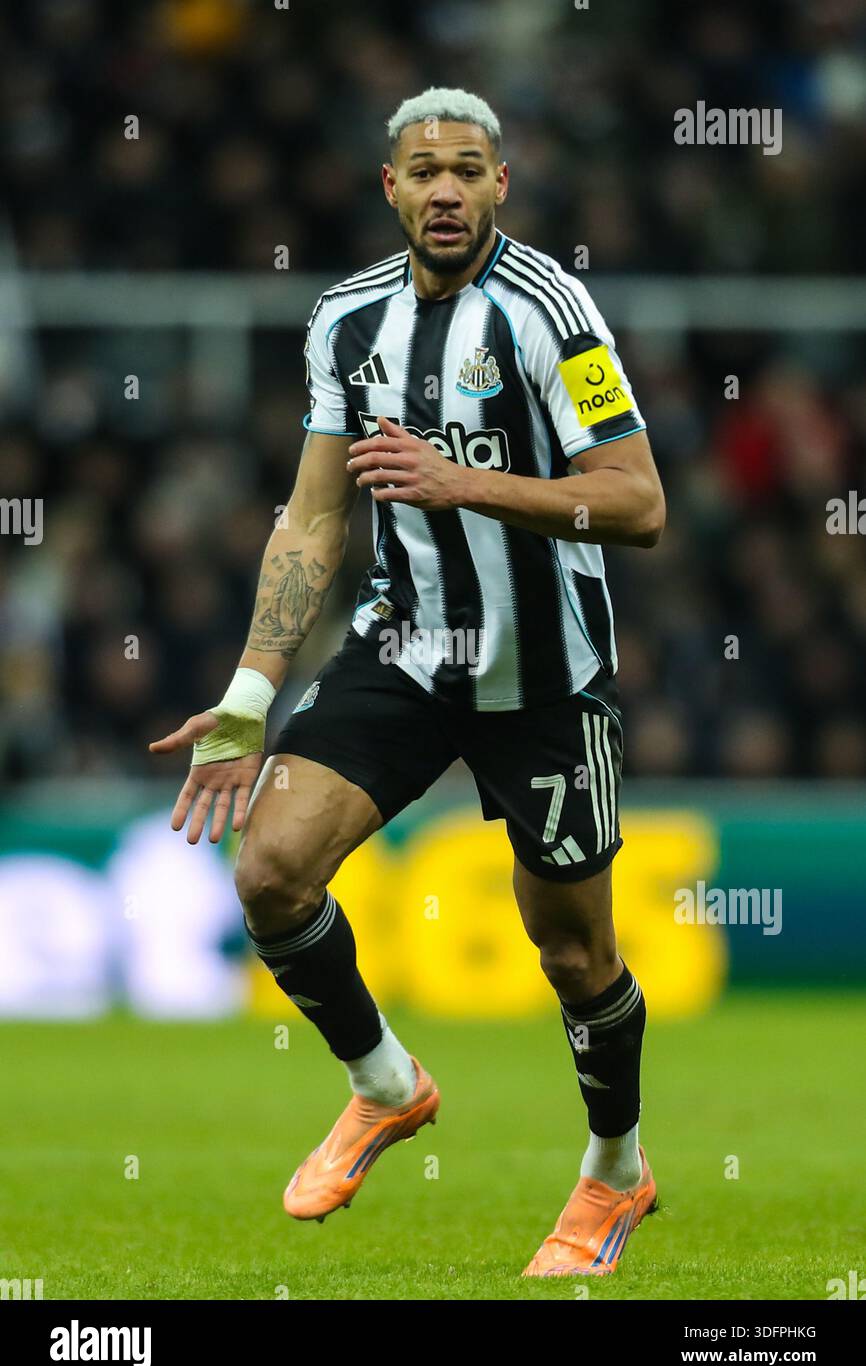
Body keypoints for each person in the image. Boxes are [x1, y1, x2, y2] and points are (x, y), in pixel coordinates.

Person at [150, 86, 665, 1278]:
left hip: (545, 671)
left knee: (574, 956)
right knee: (271, 870)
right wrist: (247, 692)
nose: (445, 189)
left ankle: (615, 1172)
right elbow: (315, 518)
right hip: (406, 648)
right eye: (422, 170)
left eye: (467, 170)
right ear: (388, 187)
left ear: (500, 186)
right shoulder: (344, 321)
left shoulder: (551, 312)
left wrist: (462, 482)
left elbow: (638, 503)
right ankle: (385, 1084)